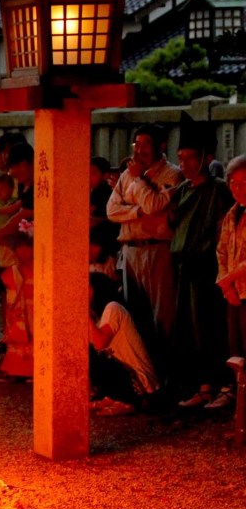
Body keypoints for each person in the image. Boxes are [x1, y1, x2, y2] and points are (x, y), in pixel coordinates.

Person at [170, 120, 234, 409]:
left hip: (209, 270)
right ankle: (202, 386)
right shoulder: (182, 191)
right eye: (180, 158)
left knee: (211, 328)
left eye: (189, 158)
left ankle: (223, 385)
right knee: (188, 329)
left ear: (206, 158)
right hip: (184, 268)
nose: (183, 164)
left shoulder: (220, 191)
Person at [106, 124, 182, 345]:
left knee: (162, 314)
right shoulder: (127, 175)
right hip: (130, 249)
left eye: (145, 144)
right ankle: (141, 371)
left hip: (157, 248)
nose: (139, 150)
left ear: (161, 145)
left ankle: (165, 372)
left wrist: (140, 182)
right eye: (136, 144)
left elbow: (153, 206)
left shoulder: (172, 174)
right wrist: (137, 211)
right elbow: (111, 210)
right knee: (135, 314)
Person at [89, 273, 159, 417]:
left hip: (141, 384)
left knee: (92, 355)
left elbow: (100, 343)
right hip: (126, 378)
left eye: (87, 289)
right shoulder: (98, 317)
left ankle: (128, 401)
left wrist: (82, 313)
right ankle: (114, 396)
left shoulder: (113, 308)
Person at [217, 156, 246, 413]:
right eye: (234, 183)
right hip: (234, 293)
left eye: (244, 183)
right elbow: (222, 251)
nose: (238, 188)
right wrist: (226, 286)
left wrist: (231, 278)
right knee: (237, 353)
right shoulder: (231, 213)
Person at [0, 231, 34, 381]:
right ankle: (15, 371)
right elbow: (7, 295)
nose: (23, 253)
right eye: (19, 249)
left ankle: (30, 371)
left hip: (34, 310)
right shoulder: (11, 271)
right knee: (17, 343)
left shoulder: (40, 268)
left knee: (33, 341)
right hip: (17, 311)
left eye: (27, 248)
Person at [90, 157, 114, 227]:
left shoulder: (100, 190)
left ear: (105, 176)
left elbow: (87, 212)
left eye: (93, 173)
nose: (89, 176)